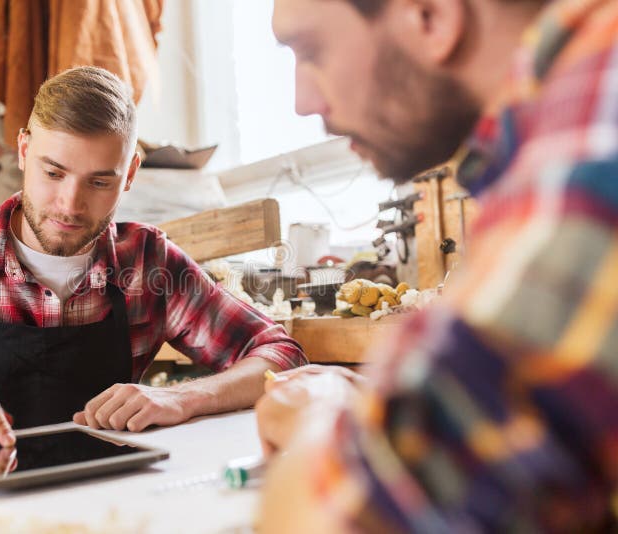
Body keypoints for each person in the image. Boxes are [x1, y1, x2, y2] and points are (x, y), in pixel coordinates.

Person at [257, 0, 618, 531]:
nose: (302, 102)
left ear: (431, 16)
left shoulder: (593, 129)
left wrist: (321, 413)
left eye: (311, 51)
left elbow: (334, 518)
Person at [0, 66, 307, 457]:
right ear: (24, 150)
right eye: (53, 173)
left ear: (130, 174)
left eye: (99, 182)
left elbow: (280, 355)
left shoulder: (149, 264)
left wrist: (182, 397)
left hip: (106, 507)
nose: (70, 205)